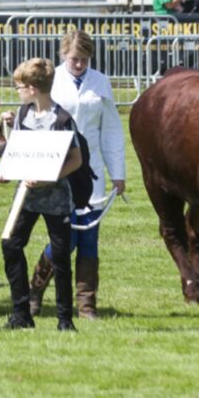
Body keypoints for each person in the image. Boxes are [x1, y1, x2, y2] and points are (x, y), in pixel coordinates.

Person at [39, 30, 124, 320]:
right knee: (67, 239)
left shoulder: (100, 82)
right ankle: (35, 290)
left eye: (85, 59)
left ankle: (87, 305)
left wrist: (118, 173)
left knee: (89, 238)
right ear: (64, 55)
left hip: (92, 172)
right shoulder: (52, 81)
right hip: (60, 170)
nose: (79, 65)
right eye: (75, 59)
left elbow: (111, 128)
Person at [0, 57, 87, 332]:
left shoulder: (62, 119)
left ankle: (65, 319)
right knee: (10, 245)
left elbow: (76, 160)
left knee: (60, 258)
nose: (17, 91)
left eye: (19, 86)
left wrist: (51, 176)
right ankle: (20, 313)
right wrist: (5, 171)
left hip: (56, 200)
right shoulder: (23, 113)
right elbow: (17, 149)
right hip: (26, 197)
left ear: (33, 88)